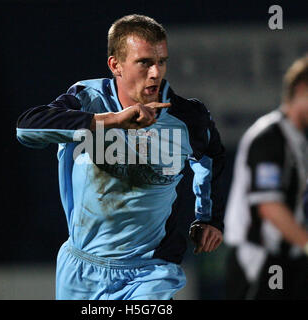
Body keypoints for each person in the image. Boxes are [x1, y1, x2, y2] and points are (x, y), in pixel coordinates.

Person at [16, 14, 225, 300]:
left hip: (151, 269)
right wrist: (111, 121)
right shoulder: (87, 100)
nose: (155, 72)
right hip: (83, 269)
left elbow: (211, 158)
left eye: (161, 61)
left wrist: (208, 218)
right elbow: (26, 128)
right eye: (144, 63)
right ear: (116, 65)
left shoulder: (186, 118)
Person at [224, 55, 308, 300]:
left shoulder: (300, 141)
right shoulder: (268, 137)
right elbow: (269, 207)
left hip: (291, 259)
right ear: (301, 89)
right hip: (259, 263)